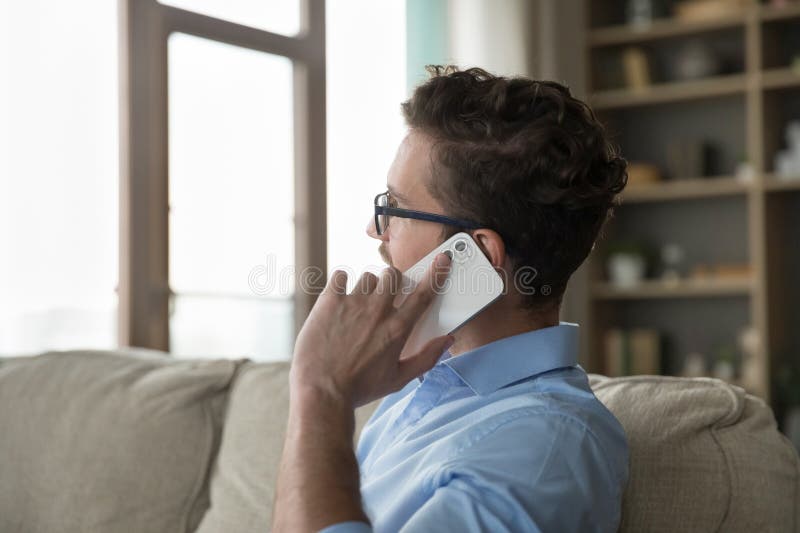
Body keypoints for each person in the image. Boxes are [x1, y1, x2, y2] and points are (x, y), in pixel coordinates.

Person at [272, 66, 629, 532]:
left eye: (394, 210)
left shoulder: (544, 449)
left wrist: (319, 394)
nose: (375, 232)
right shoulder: (414, 388)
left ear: (475, 254)